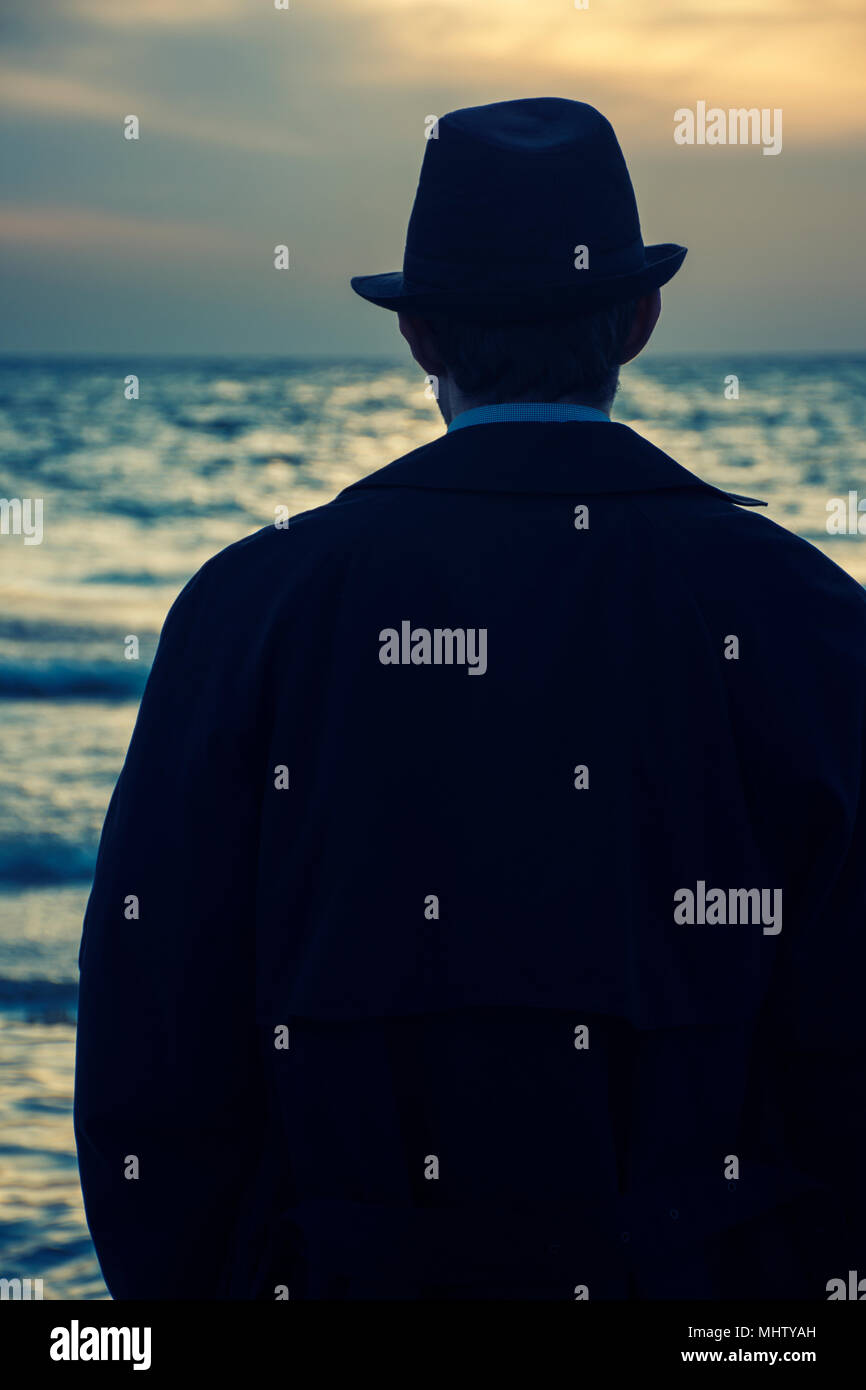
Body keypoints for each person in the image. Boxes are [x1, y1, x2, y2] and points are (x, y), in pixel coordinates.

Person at [75, 98, 866, 1300]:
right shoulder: (810, 619)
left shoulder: (249, 608)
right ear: (640, 320)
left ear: (421, 336)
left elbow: (153, 1043)